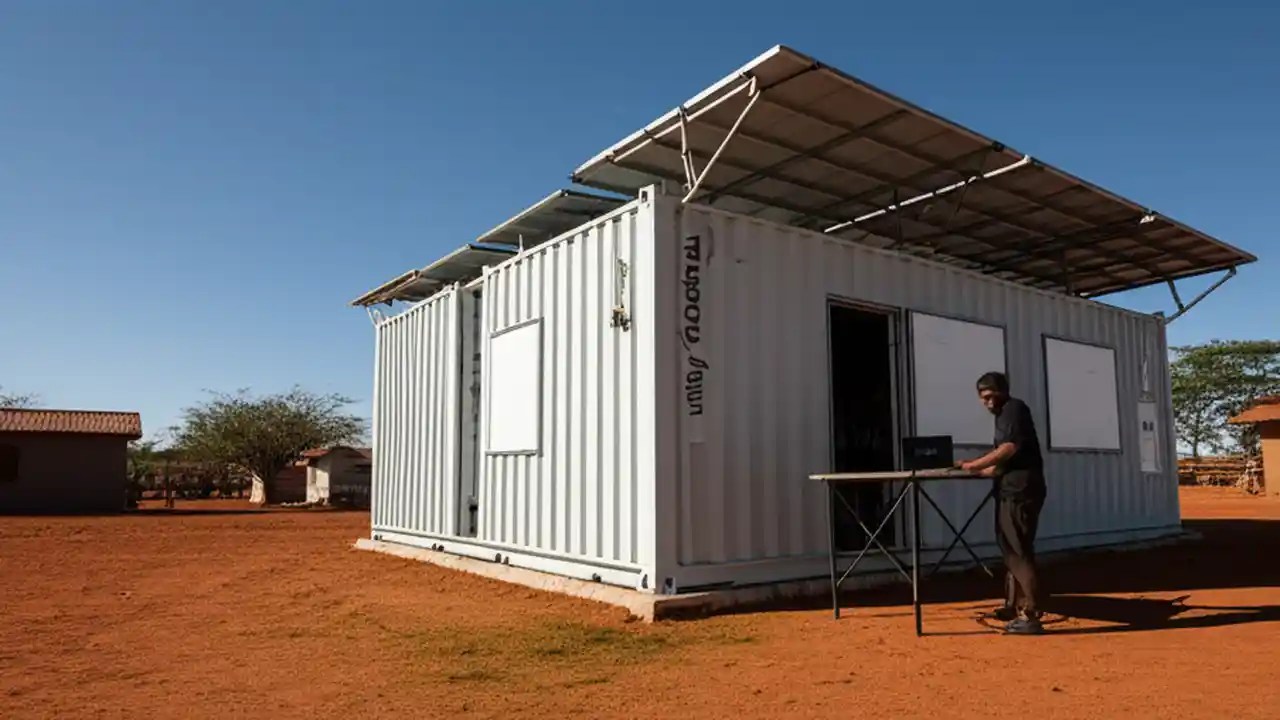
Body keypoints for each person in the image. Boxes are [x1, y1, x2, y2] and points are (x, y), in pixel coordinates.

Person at [959, 371, 1047, 635]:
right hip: (1011, 488)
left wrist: (974, 465)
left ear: (1002, 392)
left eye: (990, 396)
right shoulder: (1004, 416)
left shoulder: (1013, 409)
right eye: (982, 399)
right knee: (1009, 548)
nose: (987, 403)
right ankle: (1014, 605)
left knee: (1018, 549)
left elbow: (1008, 449)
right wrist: (971, 469)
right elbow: (1002, 464)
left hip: (1020, 491)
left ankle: (1030, 613)